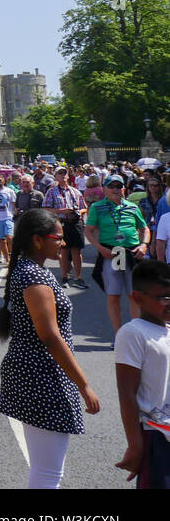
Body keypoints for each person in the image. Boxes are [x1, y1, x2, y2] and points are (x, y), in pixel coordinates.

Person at [0, 209, 99, 488]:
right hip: (42, 377)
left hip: (34, 374)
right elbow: (50, 336)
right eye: (57, 238)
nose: (62, 243)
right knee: (49, 473)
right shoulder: (33, 277)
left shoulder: (30, 270)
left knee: (45, 468)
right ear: (38, 240)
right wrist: (84, 385)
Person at [114, 258, 170, 487]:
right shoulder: (132, 333)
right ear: (138, 297)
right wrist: (135, 445)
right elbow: (127, 391)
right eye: (162, 298)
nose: (169, 303)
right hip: (155, 435)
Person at [86, 174, 150, 340]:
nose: (116, 189)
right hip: (111, 253)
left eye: (118, 186)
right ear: (105, 189)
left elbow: (145, 229)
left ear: (124, 188)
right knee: (114, 295)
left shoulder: (132, 207)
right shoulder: (97, 207)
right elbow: (88, 230)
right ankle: (119, 335)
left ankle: (137, 335)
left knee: (134, 295)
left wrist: (144, 245)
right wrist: (100, 248)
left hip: (131, 253)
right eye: (112, 186)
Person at [43, 167, 87, 288]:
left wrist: (79, 212)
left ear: (68, 176)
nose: (63, 175)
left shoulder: (75, 191)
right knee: (64, 250)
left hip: (76, 222)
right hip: (62, 223)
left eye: (64, 173)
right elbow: (45, 208)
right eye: (60, 173)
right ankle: (65, 277)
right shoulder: (51, 192)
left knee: (77, 251)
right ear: (56, 176)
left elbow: (84, 207)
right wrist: (61, 211)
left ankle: (78, 277)